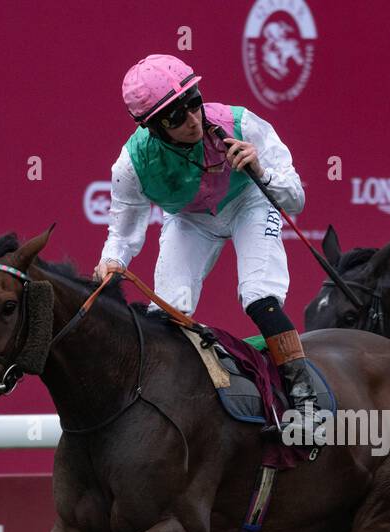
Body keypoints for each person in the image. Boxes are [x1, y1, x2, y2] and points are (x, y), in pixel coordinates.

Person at [93, 53, 321, 430]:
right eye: (175, 116)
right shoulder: (130, 165)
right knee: (167, 312)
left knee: (258, 295)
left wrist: (260, 170)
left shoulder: (241, 123)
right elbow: (122, 235)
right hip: (190, 219)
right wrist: (111, 262)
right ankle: (163, 401)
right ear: (152, 127)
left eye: (194, 102)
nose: (193, 120)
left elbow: (295, 199)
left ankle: (304, 397)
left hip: (250, 202)